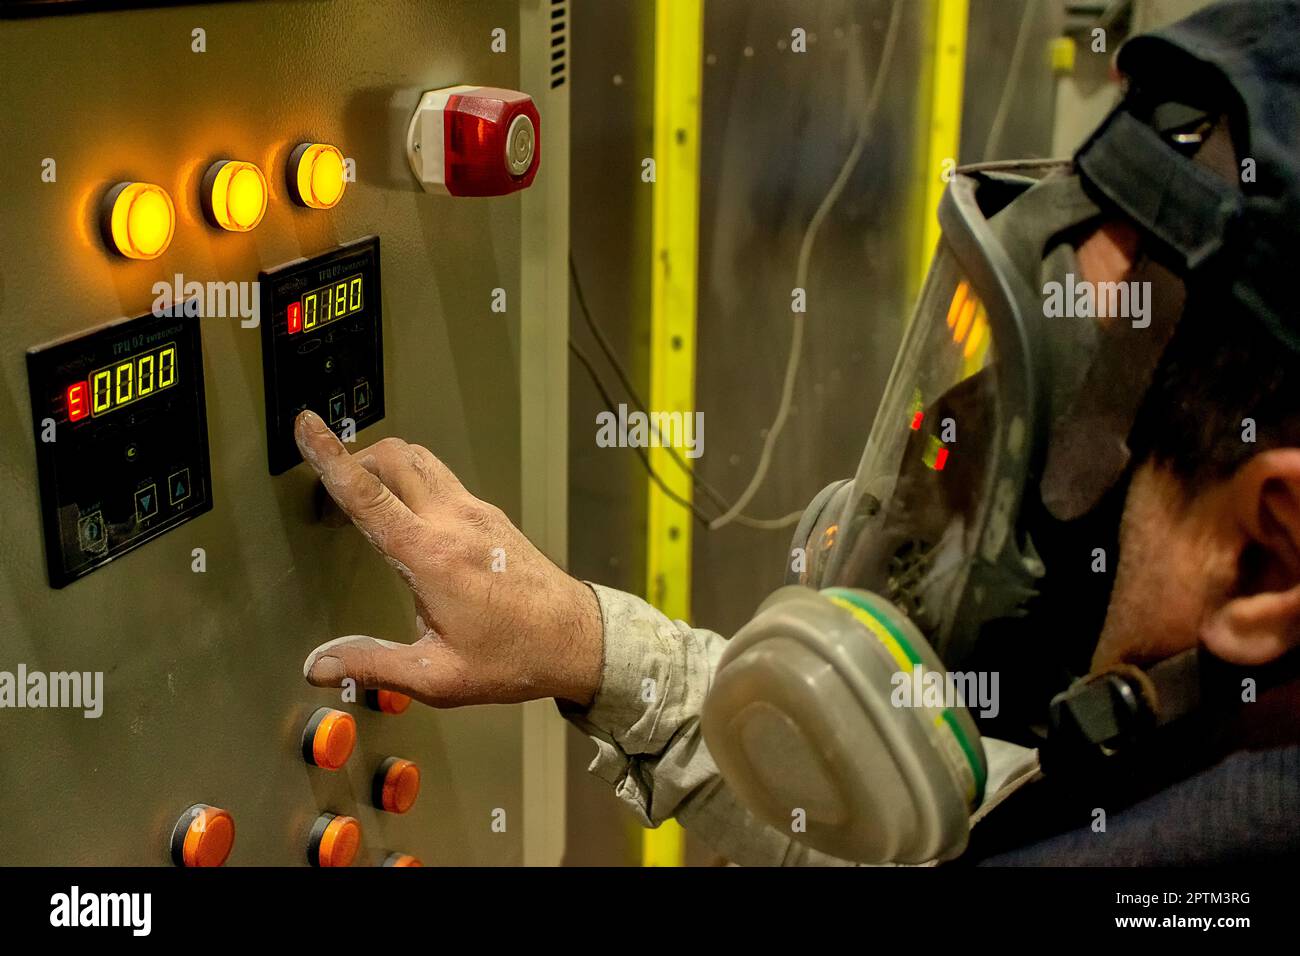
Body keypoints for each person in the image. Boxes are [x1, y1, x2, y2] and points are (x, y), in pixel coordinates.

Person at [298, 0, 1300, 865]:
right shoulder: (1205, 754)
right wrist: (580, 641)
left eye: (1091, 411)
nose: (959, 444)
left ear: (1265, 553)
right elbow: (925, 831)